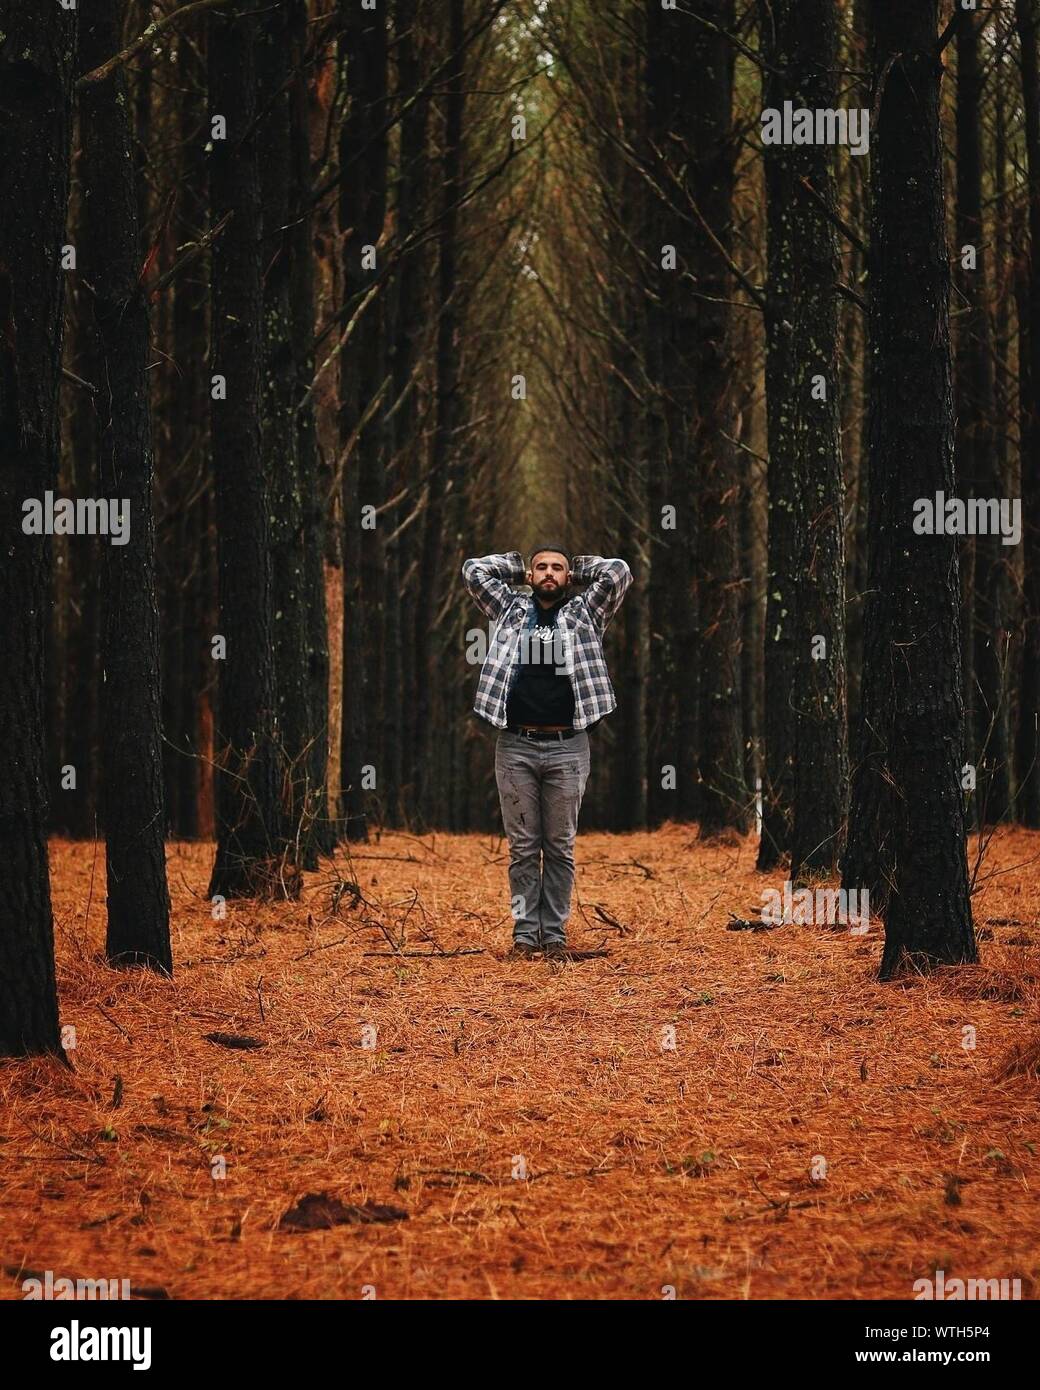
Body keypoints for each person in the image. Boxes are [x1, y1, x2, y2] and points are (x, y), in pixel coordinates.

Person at [462, 544, 632, 960]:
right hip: (515, 745)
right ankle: (525, 936)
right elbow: (473, 570)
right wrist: (517, 569)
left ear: (567, 576)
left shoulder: (584, 613)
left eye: (557, 568)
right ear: (532, 575)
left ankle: (553, 936)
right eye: (542, 568)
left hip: (568, 747)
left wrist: (579, 571)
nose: (549, 574)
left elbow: (619, 572)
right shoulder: (509, 608)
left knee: (559, 847)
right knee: (522, 848)